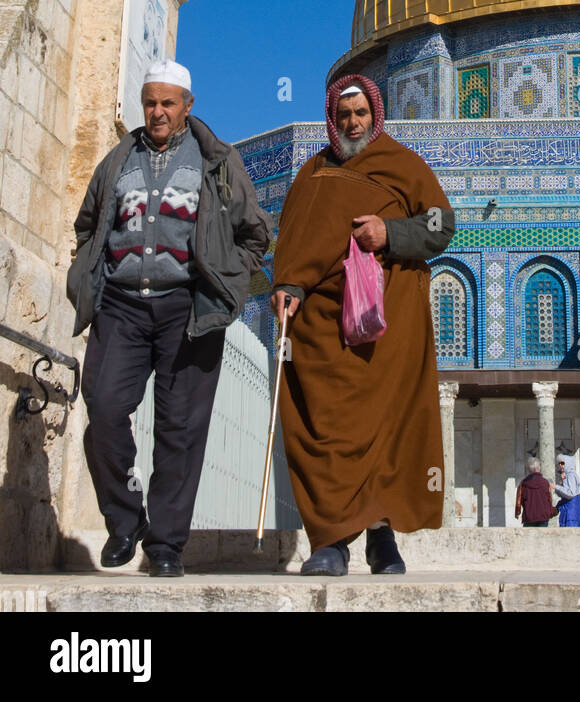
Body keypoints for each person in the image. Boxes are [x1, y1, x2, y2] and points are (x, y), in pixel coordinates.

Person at [67, 60, 269, 578]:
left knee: (181, 428)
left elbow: (255, 233)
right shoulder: (118, 160)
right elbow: (88, 224)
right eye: (150, 103)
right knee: (106, 407)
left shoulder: (217, 162)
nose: (157, 112)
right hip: (122, 304)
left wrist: (228, 281)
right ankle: (125, 517)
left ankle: (165, 545)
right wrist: (86, 272)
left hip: (190, 307)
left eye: (167, 103)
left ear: (187, 106)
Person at [271, 73, 455, 576]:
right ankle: (330, 540)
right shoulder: (313, 173)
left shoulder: (403, 165)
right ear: (333, 117)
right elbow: (293, 242)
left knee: (384, 430)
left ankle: (382, 537)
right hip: (323, 329)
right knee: (325, 428)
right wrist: (287, 286)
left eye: (361, 114)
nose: (353, 123)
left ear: (376, 115)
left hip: (385, 326)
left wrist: (389, 231)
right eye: (344, 114)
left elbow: (441, 225)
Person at [514, 458, 554, 527]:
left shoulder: (523, 483)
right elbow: (549, 499)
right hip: (543, 516)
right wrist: (551, 512)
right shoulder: (545, 483)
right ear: (539, 468)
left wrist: (517, 512)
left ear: (529, 470)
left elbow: (519, 500)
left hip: (529, 516)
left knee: (529, 537)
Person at [553, 452, 580, 526]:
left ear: (567, 463)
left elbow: (570, 493)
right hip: (570, 509)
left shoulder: (571, 475)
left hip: (572, 511)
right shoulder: (567, 475)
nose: (560, 465)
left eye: (562, 463)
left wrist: (556, 487)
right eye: (559, 463)